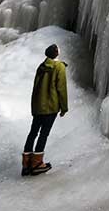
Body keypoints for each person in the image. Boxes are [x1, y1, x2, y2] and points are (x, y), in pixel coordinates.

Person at [21, 44, 68, 176]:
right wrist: (64, 107)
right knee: (43, 134)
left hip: (38, 106)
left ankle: (26, 164)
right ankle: (37, 163)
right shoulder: (59, 67)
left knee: (33, 133)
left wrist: (34, 106)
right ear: (56, 53)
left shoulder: (41, 66)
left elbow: (36, 86)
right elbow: (61, 88)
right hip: (50, 106)